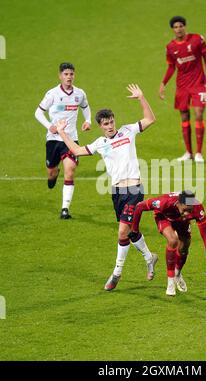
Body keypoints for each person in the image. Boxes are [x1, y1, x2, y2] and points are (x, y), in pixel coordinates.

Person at [55, 84, 158, 291]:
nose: (110, 126)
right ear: (100, 126)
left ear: (114, 121)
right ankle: (150, 257)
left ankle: (116, 273)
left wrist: (141, 97)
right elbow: (76, 149)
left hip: (135, 190)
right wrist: (61, 132)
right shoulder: (100, 143)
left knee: (121, 232)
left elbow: (150, 119)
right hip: (117, 192)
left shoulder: (128, 131)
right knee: (129, 232)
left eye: (111, 122)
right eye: (105, 124)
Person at [128, 190, 206, 296]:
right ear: (178, 203)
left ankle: (177, 274)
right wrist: (134, 230)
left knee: (184, 248)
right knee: (173, 240)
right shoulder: (164, 202)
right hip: (164, 218)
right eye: (185, 210)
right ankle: (170, 283)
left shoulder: (198, 208)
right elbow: (140, 206)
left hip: (182, 222)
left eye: (189, 210)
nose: (187, 213)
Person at [35, 62, 91, 219]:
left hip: (71, 139)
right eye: (66, 74)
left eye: (71, 74)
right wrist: (49, 126)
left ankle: (65, 208)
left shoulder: (79, 94)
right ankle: (53, 173)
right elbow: (38, 113)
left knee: (70, 171)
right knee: (51, 172)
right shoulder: (52, 94)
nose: (69, 77)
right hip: (53, 139)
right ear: (60, 76)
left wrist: (88, 121)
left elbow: (86, 107)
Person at [159, 16, 206, 163]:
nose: (178, 29)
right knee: (184, 117)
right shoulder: (170, 47)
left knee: (199, 113)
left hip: (198, 84)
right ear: (173, 29)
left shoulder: (197, 39)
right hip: (182, 86)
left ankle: (199, 153)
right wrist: (163, 83)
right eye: (175, 27)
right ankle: (188, 152)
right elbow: (171, 67)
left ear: (185, 26)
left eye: (181, 26)